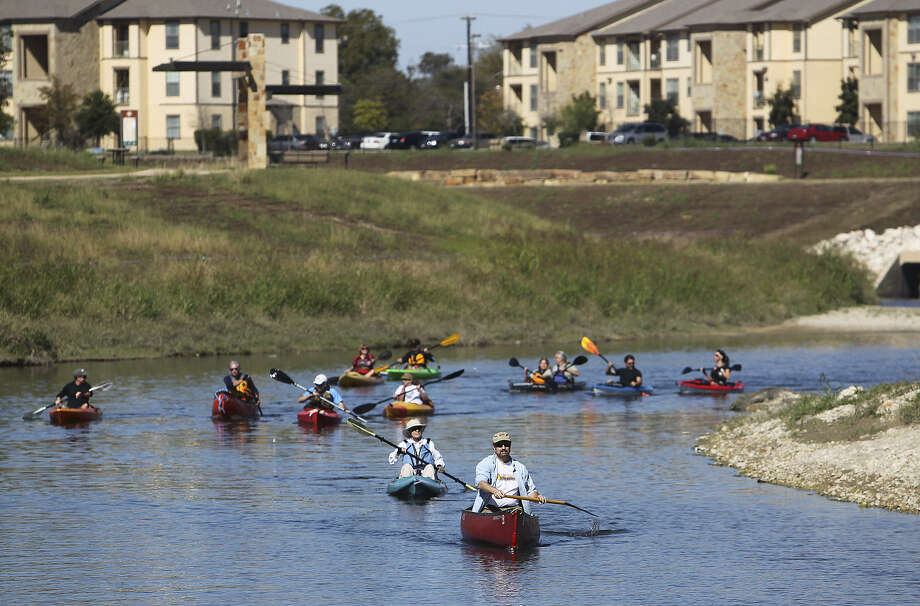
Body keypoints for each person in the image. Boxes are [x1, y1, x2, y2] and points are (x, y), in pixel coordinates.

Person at [472, 431, 545, 514]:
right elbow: (480, 484)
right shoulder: (486, 463)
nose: (503, 447)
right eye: (499, 445)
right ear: (494, 447)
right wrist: (494, 491)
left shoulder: (520, 467)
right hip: (490, 510)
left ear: (510, 446)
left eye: (506, 444)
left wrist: (538, 497)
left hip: (515, 510)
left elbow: (531, 492)